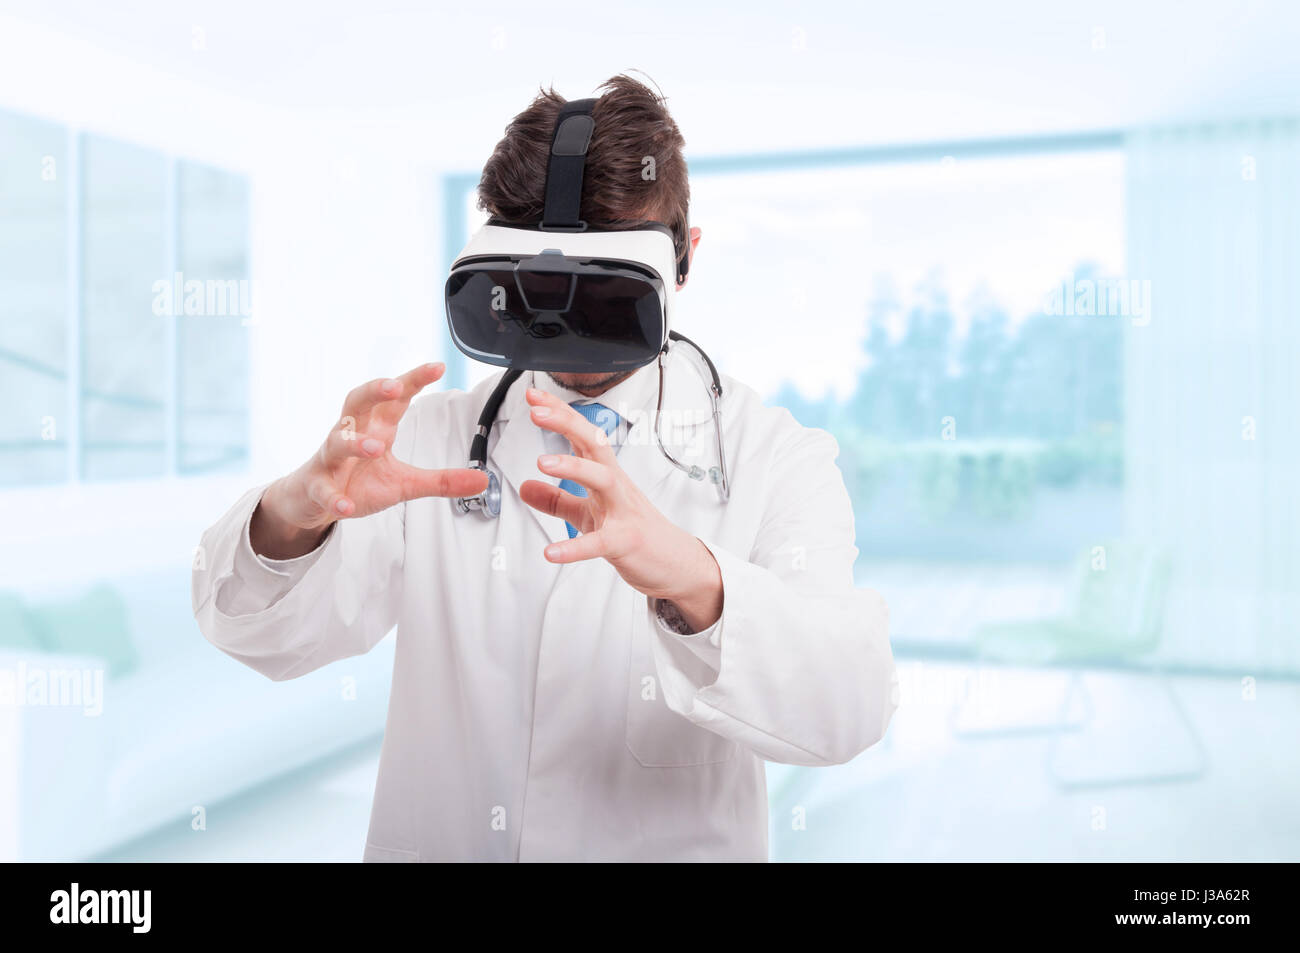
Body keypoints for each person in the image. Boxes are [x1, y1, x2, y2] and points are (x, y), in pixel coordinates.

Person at [192, 73, 897, 862]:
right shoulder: (426, 444)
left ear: (684, 260)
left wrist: (693, 579)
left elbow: (849, 707)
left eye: (603, 297)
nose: (566, 326)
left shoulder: (773, 457)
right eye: (542, 289)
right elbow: (260, 636)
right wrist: (294, 518)